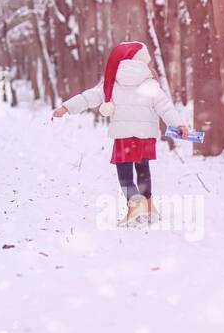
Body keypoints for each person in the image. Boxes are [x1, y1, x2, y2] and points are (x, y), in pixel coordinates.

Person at [51, 41, 188, 227]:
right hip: (145, 134)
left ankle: (135, 206)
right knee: (143, 169)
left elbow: (89, 97)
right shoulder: (150, 83)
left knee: (124, 173)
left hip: (124, 135)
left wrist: (66, 107)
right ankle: (148, 207)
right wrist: (179, 125)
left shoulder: (111, 81)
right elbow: (165, 107)